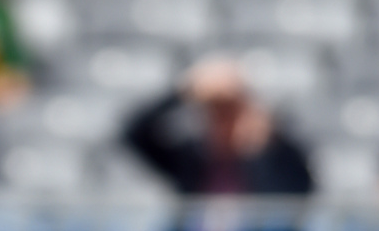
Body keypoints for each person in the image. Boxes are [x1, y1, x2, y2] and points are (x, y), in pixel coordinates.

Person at [124, 58, 313, 196]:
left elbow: (294, 196)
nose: (221, 121)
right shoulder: (190, 161)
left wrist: (263, 148)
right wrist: (184, 91)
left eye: (230, 112)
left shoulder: (274, 158)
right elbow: (133, 134)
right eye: (213, 112)